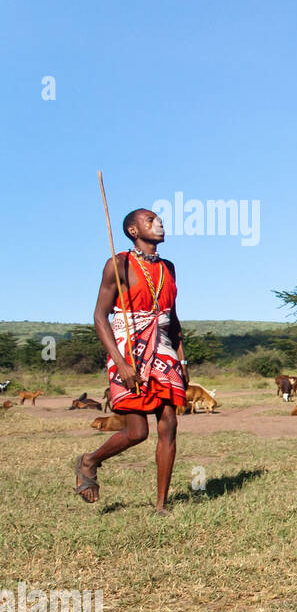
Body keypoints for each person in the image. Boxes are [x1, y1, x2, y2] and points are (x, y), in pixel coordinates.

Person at [75, 208, 188, 513]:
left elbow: (173, 318)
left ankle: (162, 505)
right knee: (137, 432)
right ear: (133, 231)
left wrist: (182, 359)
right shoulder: (118, 265)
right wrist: (121, 364)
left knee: (169, 423)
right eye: (150, 220)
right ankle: (89, 461)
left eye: (159, 219)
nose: (159, 223)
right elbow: (99, 316)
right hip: (128, 349)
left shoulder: (169, 268)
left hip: (163, 348)